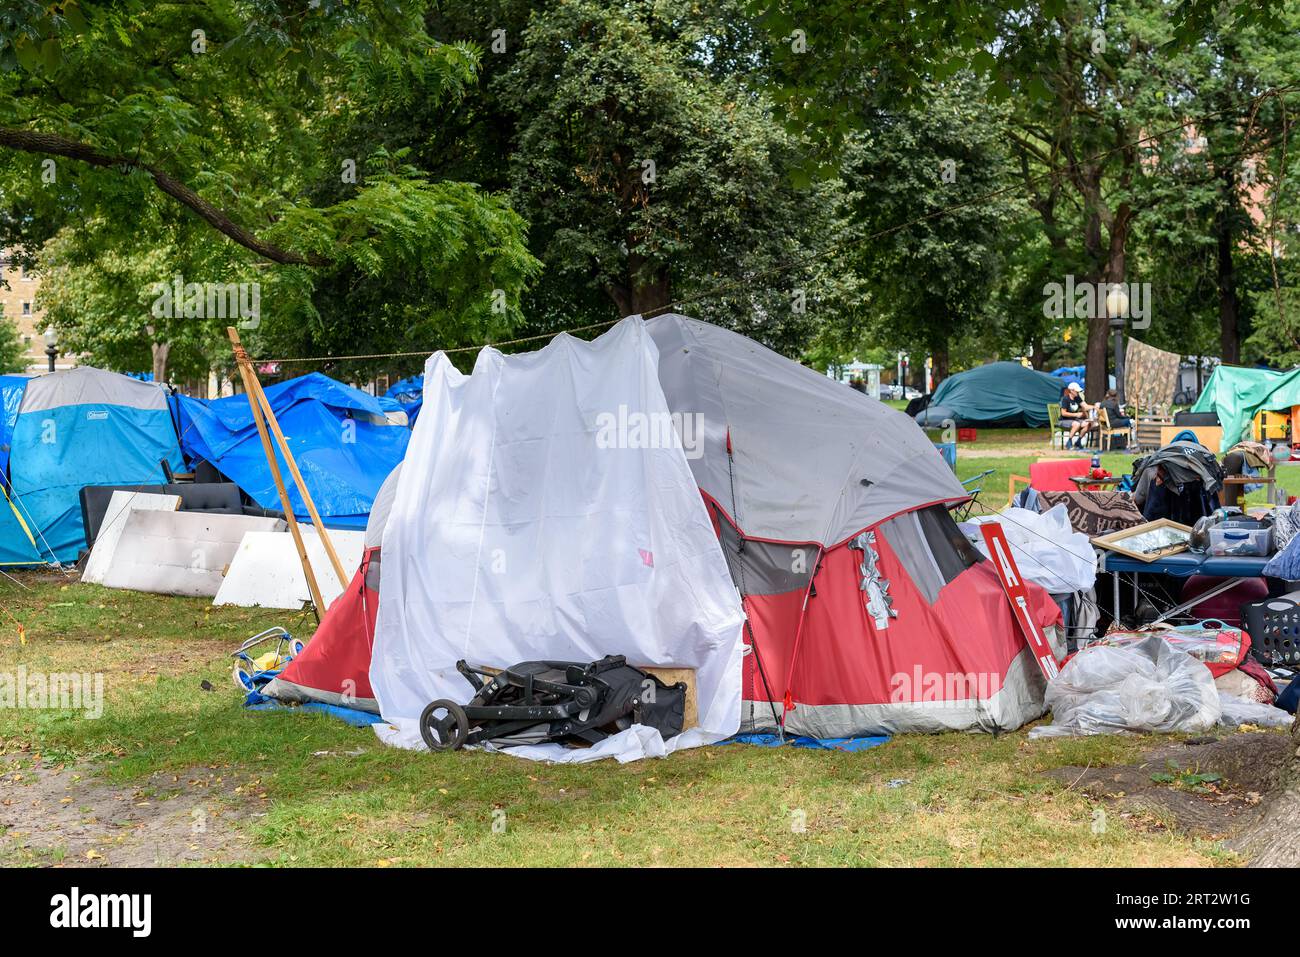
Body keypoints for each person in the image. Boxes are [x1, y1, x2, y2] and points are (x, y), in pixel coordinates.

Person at [1059, 381, 1095, 449]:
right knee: (1077, 424)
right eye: (1077, 391)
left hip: (1075, 420)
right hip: (1064, 420)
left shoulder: (1077, 398)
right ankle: (1069, 442)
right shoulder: (1065, 399)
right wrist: (1076, 414)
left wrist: (1095, 406)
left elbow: (1086, 406)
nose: (1078, 392)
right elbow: (1063, 413)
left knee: (1088, 424)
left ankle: (1078, 441)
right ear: (1072, 390)